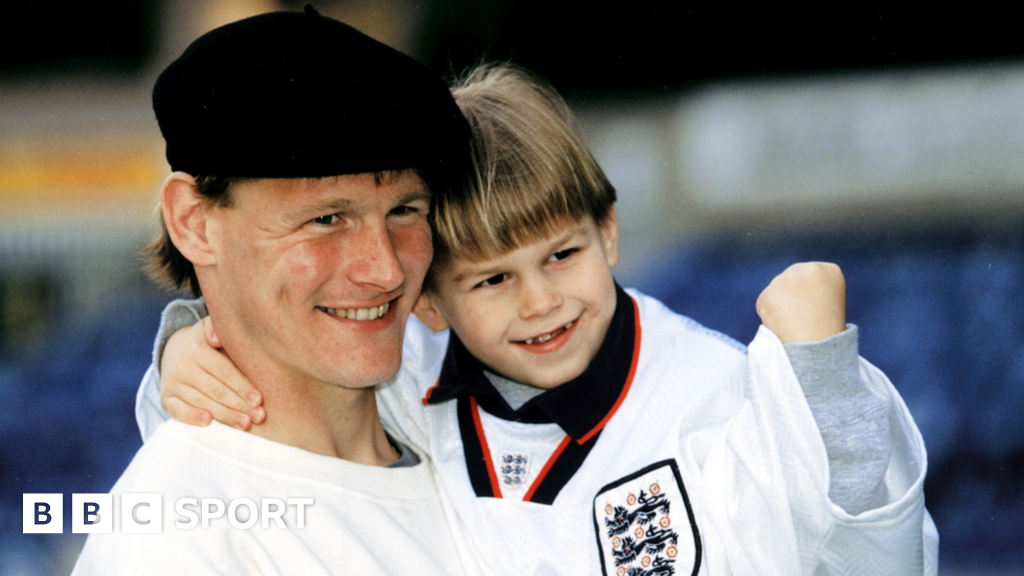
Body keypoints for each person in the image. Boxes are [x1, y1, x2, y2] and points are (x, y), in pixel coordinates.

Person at [140, 64, 938, 574]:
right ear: (427, 299)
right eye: (490, 280)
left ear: (609, 231)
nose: (540, 302)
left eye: (563, 255)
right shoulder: (401, 384)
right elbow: (242, 435)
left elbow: (875, 548)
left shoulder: (723, 395)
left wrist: (824, 378)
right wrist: (184, 346)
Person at [72, 7, 480, 575]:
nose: (386, 270)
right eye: (327, 219)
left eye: (405, 210)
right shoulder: (175, 538)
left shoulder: (474, 445)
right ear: (193, 222)